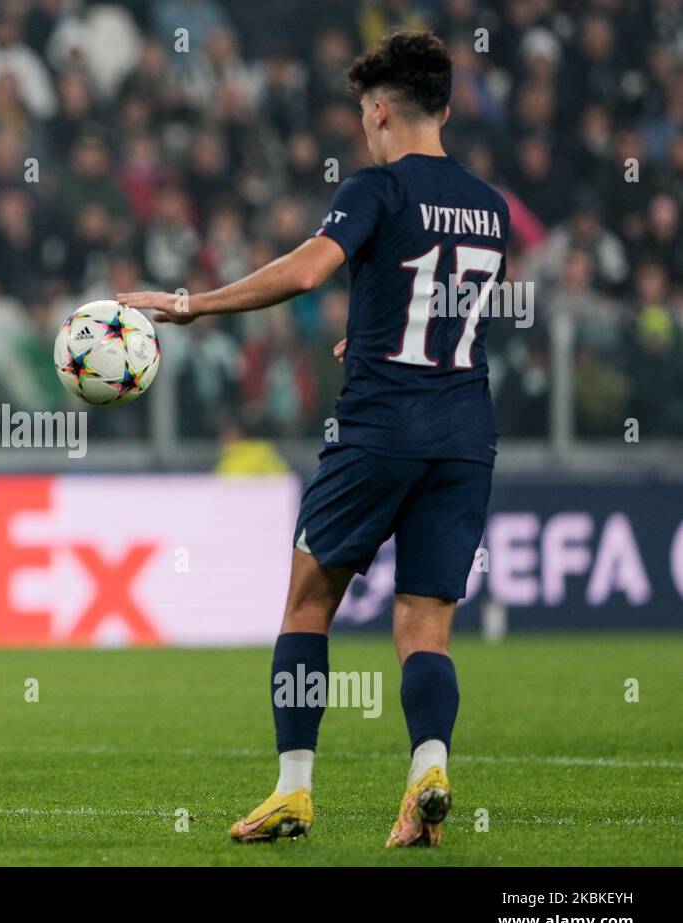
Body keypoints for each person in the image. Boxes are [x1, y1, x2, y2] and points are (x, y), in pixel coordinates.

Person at [119, 31, 509, 847]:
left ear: (378, 111)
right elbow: (442, 309)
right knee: (424, 625)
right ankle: (427, 769)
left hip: (380, 428)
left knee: (307, 603)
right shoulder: (490, 203)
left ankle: (294, 791)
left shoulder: (376, 188)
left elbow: (304, 272)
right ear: (443, 106)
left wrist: (190, 305)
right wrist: (366, 335)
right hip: (466, 430)